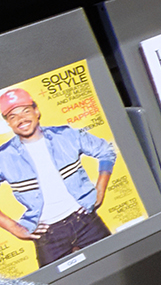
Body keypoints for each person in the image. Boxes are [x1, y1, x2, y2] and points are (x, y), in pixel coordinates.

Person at [0, 82, 120, 265]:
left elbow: (106, 151)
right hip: (48, 235)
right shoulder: (4, 156)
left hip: (86, 221)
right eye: (12, 116)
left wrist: (100, 189)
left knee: (117, 266)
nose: (21, 119)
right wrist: (12, 227)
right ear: (8, 122)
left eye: (25, 111)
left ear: (36, 111)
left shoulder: (65, 135)